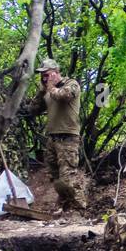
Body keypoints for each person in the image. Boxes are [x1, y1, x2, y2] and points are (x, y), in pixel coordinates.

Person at [39, 58, 88, 212]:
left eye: (46, 74)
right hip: (52, 137)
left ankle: (80, 209)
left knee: (68, 176)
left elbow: (64, 96)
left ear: (56, 72)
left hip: (68, 137)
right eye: (42, 76)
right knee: (55, 176)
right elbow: (33, 109)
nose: (44, 78)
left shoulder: (71, 84)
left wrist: (51, 87)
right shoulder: (47, 90)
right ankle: (66, 206)